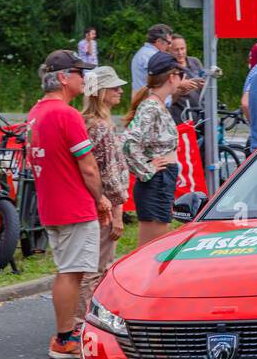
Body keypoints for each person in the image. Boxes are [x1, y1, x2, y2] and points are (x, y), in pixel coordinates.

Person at [26, 50, 111, 359]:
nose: (84, 78)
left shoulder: (36, 112)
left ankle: (66, 333)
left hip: (51, 202)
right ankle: (64, 337)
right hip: (73, 204)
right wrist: (99, 197)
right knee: (72, 272)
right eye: (79, 72)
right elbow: (87, 166)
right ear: (63, 78)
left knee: (68, 270)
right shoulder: (67, 114)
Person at [122, 52, 187, 249]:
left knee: (155, 247)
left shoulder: (157, 103)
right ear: (171, 76)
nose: (181, 80)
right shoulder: (151, 106)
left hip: (161, 179)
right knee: (151, 250)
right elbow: (128, 142)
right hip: (156, 181)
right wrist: (146, 169)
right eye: (180, 75)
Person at [79, 66, 128, 319]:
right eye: (114, 87)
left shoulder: (82, 122)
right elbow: (109, 173)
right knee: (99, 266)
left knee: (86, 263)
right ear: (101, 92)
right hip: (104, 205)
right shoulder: (101, 127)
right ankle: (87, 320)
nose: (120, 90)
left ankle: (79, 319)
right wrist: (119, 211)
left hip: (87, 201)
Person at [166, 33, 207, 120]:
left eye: (182, 48)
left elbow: (205, 83)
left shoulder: (195, 62)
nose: (180, 53)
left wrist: (203, 83)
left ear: (186, 47)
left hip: (201, 112)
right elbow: (167, 98)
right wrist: (180, 87)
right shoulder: (168, 67)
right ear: (169, 50)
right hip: (181, 116)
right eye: (176, 50)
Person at [130, 24, 172, 92]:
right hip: (152, 100)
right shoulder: (153, 56)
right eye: (169, 42)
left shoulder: (142, 53)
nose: (170, 46)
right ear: (158, 41)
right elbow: (161, 82)